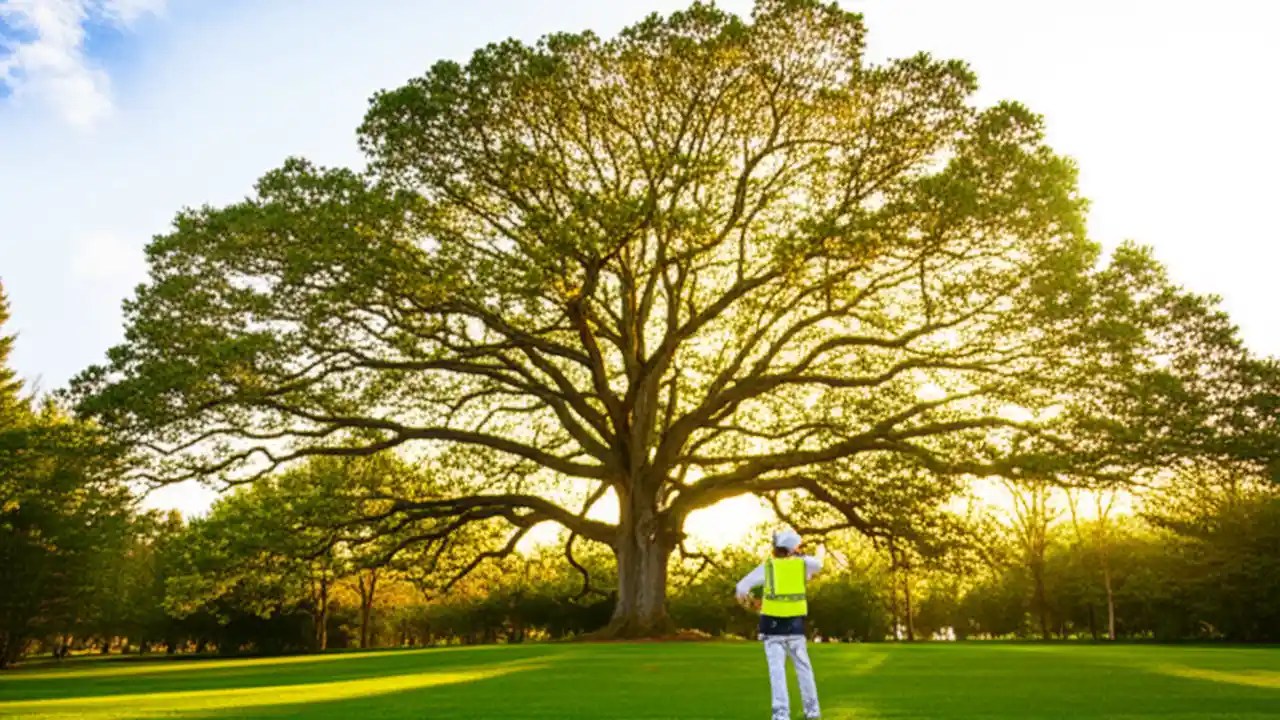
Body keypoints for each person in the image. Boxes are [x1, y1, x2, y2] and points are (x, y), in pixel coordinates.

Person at [735, 529, 824, 720]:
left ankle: (781, 714)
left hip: (772, 627)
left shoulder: (768, 567)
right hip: (796, 626)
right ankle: (813, 710)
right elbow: (818, 564)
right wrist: (800, 554)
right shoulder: (804, 565)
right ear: (794, 547)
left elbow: (741, 588)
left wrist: (750, 603)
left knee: (777, 672)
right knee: (804, 669)